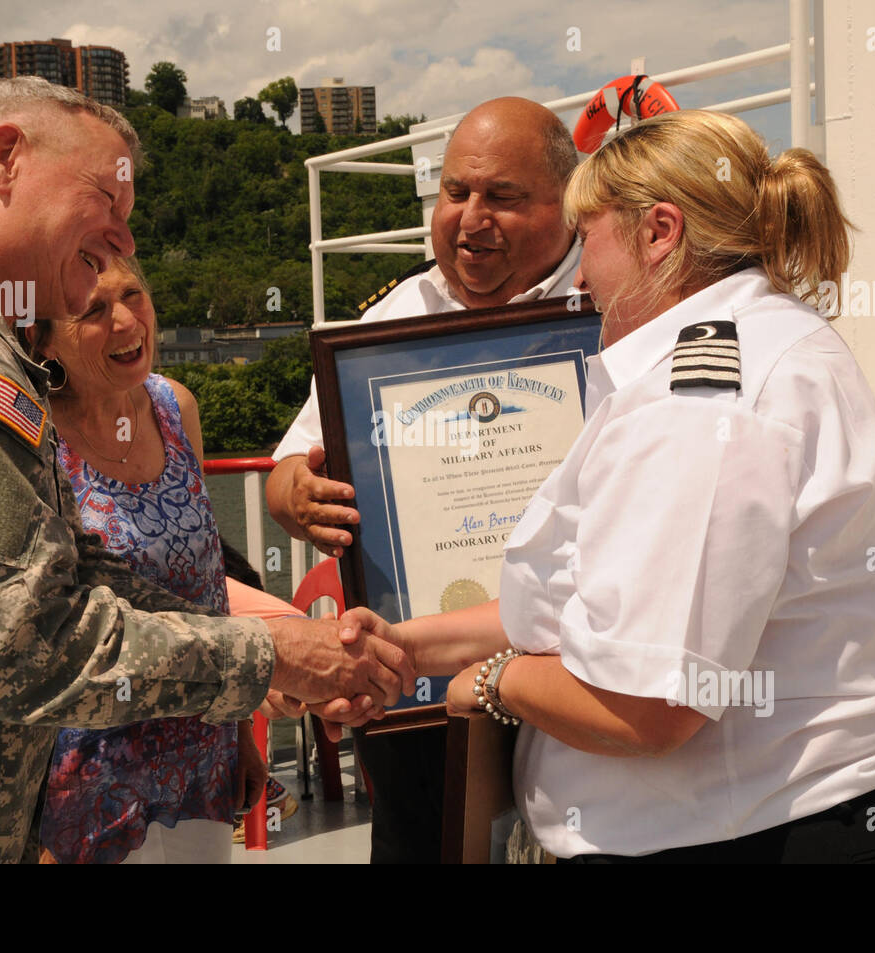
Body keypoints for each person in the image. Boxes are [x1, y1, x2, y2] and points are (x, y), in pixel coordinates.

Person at [339, 109, 875, 863]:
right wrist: (401, 647)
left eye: (587, 238)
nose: (582, 275)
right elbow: (580, 607)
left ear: (660, 232)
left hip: (795, 834)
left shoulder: (694, 405)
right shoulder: (771, 336)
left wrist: (496, 681)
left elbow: (649, 707)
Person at [0, 77, 408, 864]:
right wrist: (277, 657)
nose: (125, 239)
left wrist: (291, 647)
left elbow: (60, 574)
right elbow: (28, 650)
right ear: (6, 157)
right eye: (106, 199)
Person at [265, 96, 584, 864]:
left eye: (502, 197)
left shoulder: (611, 305)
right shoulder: (393, 318)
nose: (472, 217)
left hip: (575, 682)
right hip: (419, 692)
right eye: (455, 193)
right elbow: (286, 470)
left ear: (566, 208)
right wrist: (297, 497)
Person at [25, 257, 269, 863]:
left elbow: (209, 586)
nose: (127, 320)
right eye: (94, 311)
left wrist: (240, 728)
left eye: (134, 295)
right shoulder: (31, 436)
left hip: (199, 749)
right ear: (43, 339)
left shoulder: (174, 407)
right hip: (86, 771)